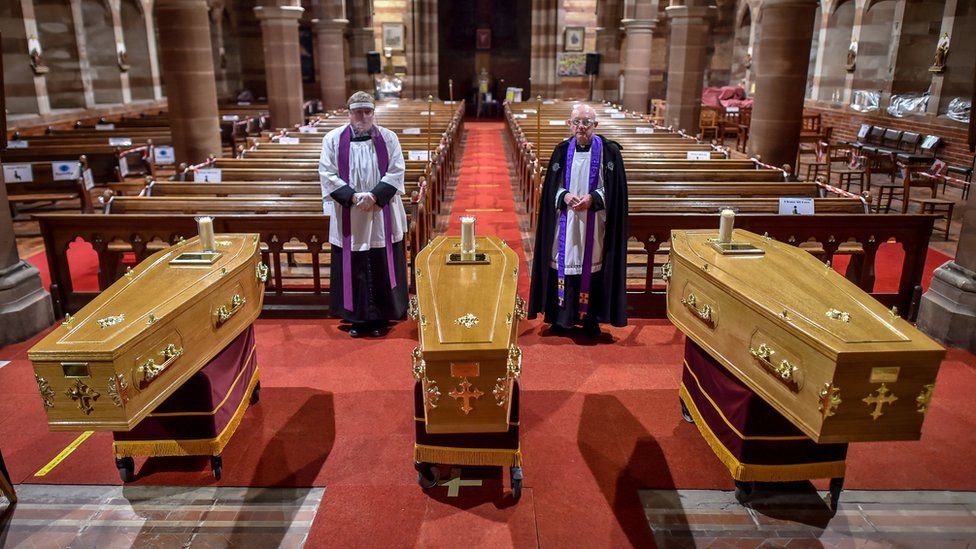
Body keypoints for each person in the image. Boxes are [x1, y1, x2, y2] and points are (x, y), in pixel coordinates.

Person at [527, 103, 629, 338]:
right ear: (570, 124)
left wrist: (594, 198)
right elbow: (551, 186)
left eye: (586, 122)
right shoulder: (562, 151)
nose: (581, 127)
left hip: (594, 222)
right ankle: (560, 319)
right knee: (563, 263)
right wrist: (565, 195)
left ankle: (590, 320)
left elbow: (615, 191)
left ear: (595, 125)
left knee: (591, 266)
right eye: (577, 122)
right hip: (566, 219)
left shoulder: (609, 152)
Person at [319, 91, 409, 337]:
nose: (363, 116)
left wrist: (374, 196)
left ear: (373, 113)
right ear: (349, 113)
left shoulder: (388, 138)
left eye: (368, 111)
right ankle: (357, 318)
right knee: (354, 265)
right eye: (358, 112)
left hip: (382, 212)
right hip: (350, 213)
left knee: (381, 262)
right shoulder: (333, 139)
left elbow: (397, 170)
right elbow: (327, 173)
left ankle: (381, 317)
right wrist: (353, 196)